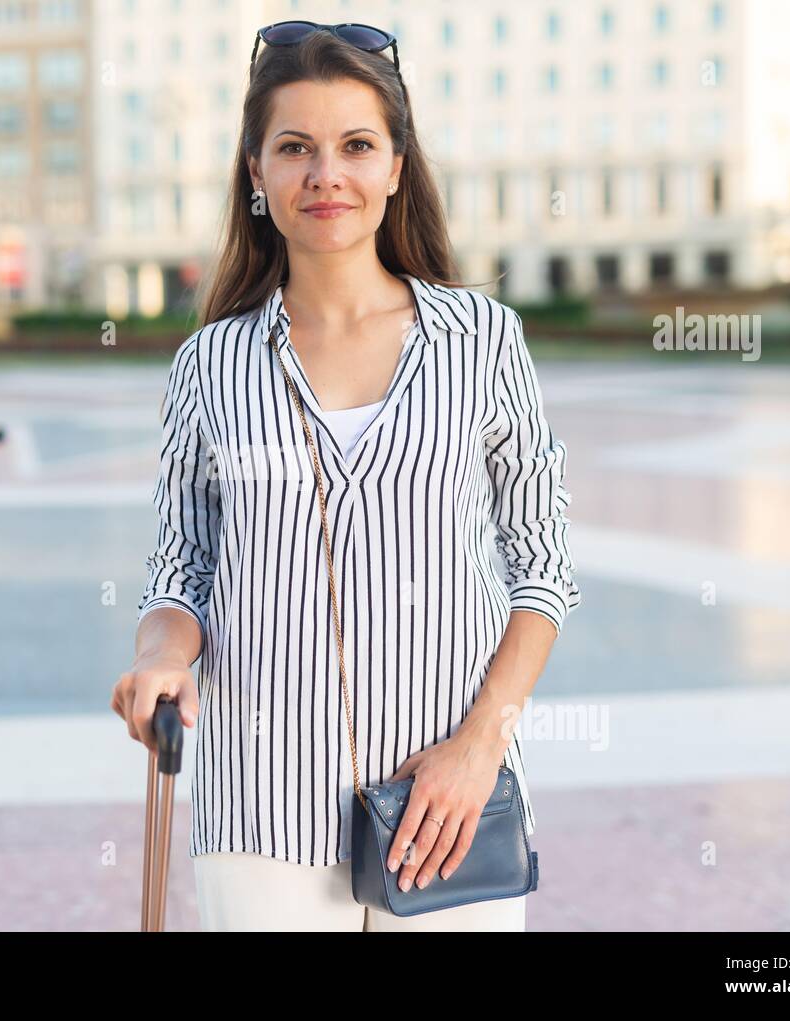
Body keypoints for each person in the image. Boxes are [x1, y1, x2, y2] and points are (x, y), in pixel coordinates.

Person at [112, 25, 582, 931]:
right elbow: (183, 567)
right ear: (256, 171)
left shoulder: (482, 342)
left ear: (397, 166)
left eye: (356, 146)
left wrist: (483, 744)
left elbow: (543, 564)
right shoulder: (208, 364)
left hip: (448, 801)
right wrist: (161, 656)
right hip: (262, 808)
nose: (326, 174)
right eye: (295, 149)